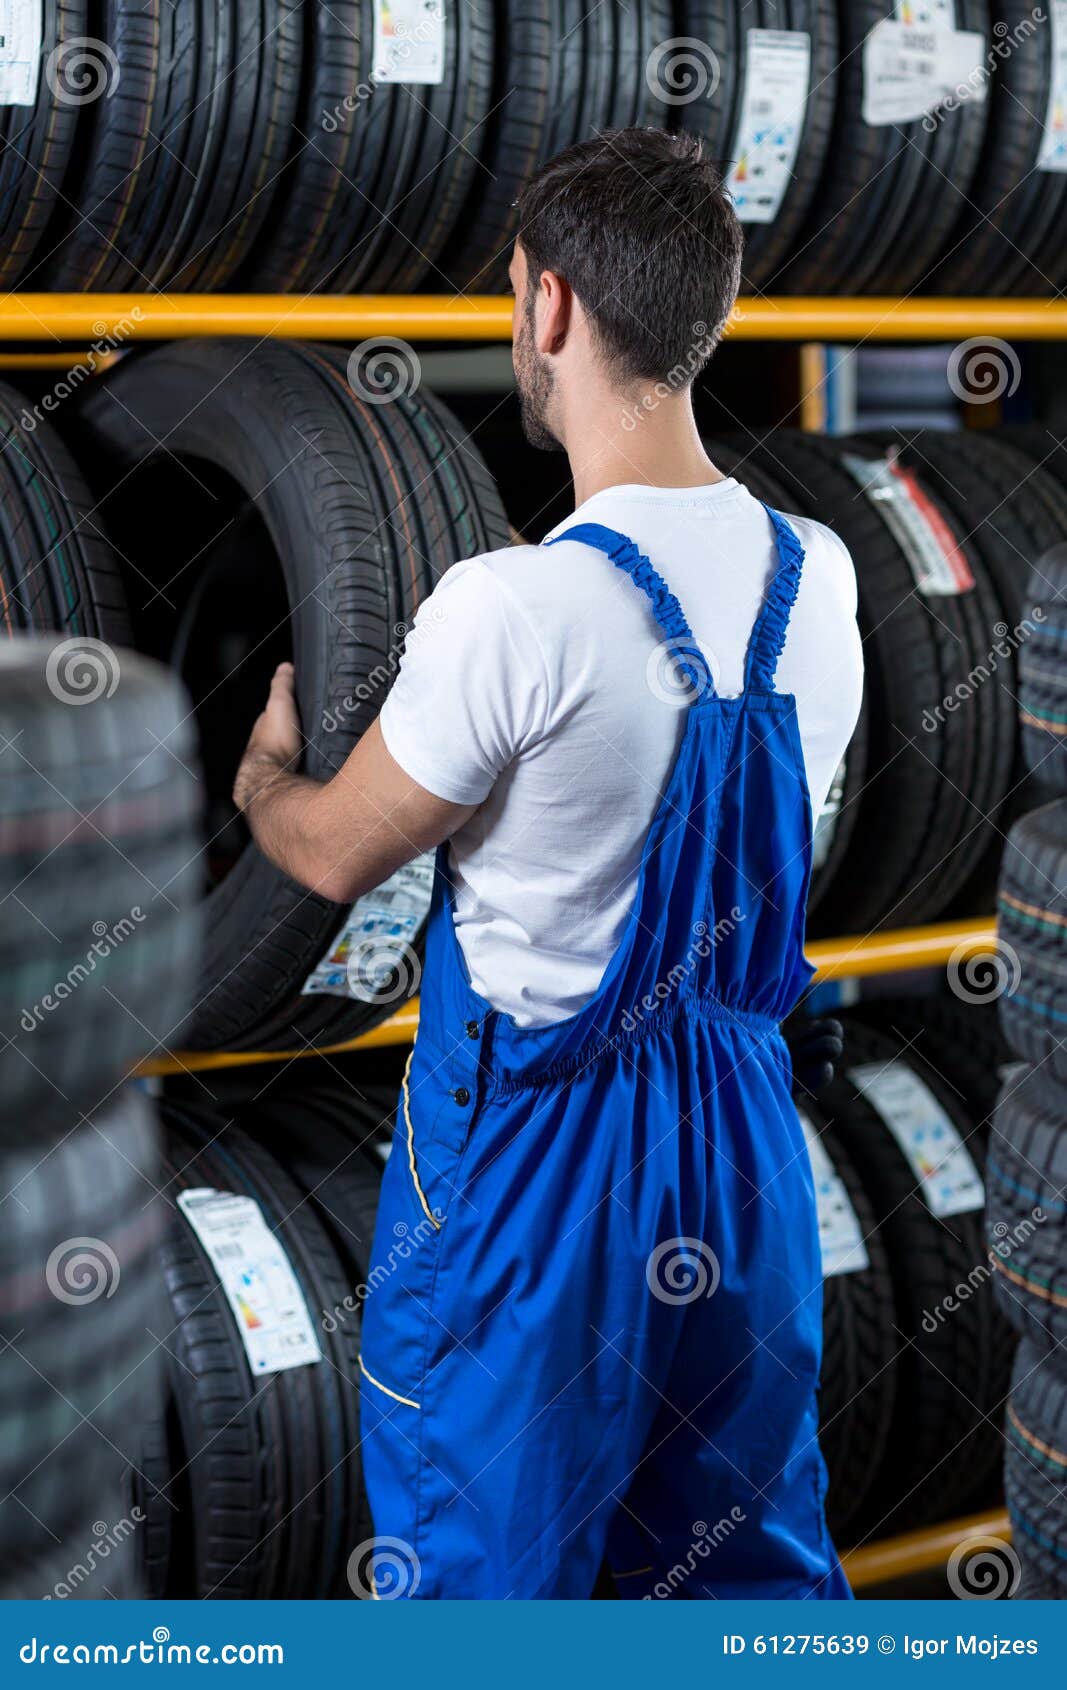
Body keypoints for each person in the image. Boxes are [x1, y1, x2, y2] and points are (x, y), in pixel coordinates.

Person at [233, 127, 864, 1600]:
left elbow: (334, 854)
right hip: (745, 1148)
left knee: (487, 1574)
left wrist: (265, 770)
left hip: (543, 1184)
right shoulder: (817, 577)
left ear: (555, 308)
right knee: (738, 1562)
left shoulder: (511, 608)